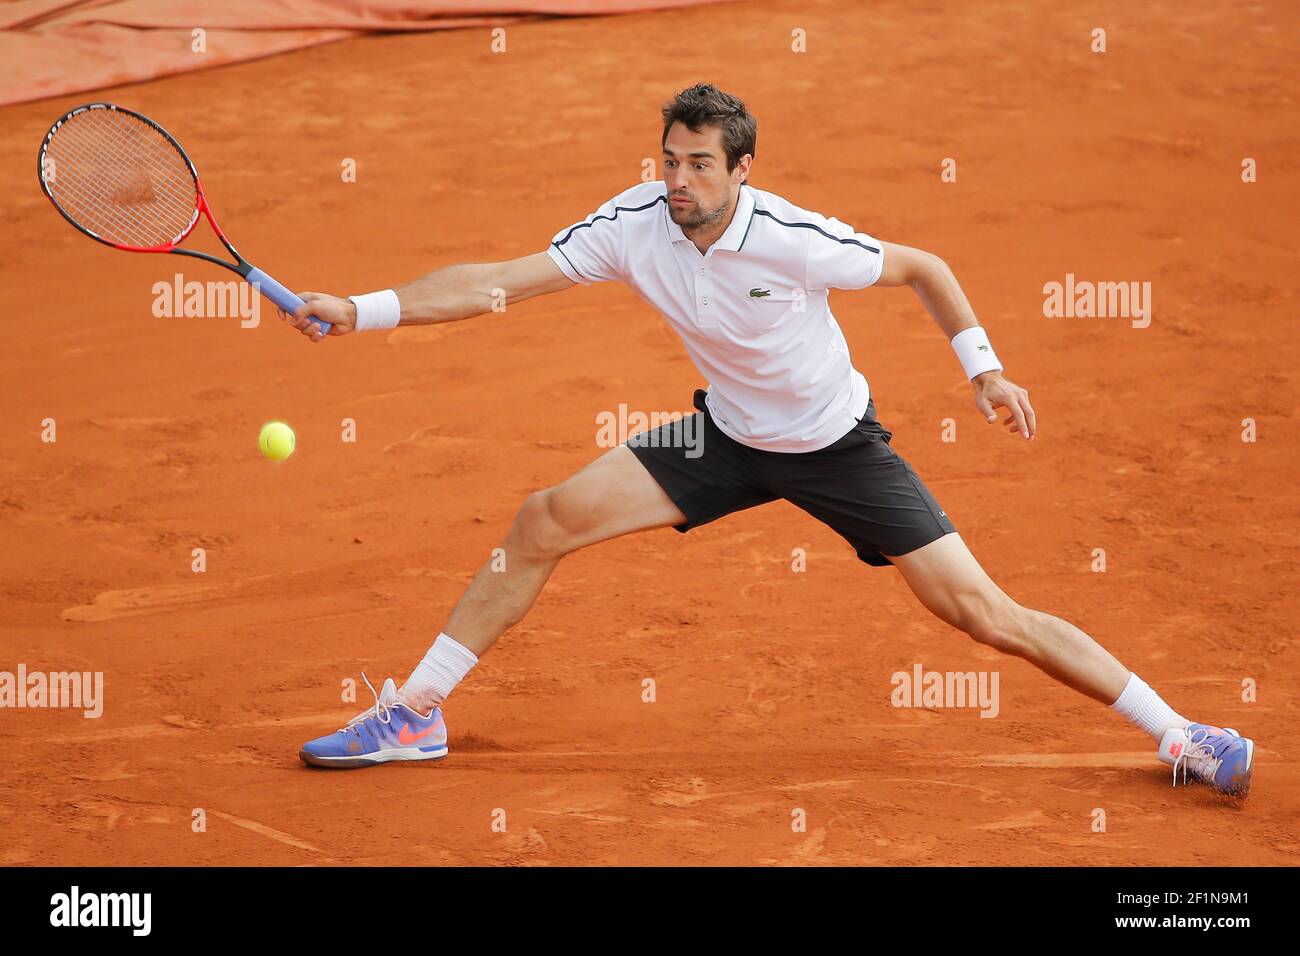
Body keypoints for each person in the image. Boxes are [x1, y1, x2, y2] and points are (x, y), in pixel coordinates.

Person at [284, 83, 1253, 797]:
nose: (677, 179)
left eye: (699, 162)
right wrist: (361, 308)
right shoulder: (634, 226)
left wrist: (985, 369)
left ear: (741, 169)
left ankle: (1180, 733)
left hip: (839, 448)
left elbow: (925, 265)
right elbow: (499, 277)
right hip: (728, 437)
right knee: (543, 518)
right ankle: (417, 709)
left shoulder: (792, 236)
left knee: (986, 615)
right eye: (668, 158)